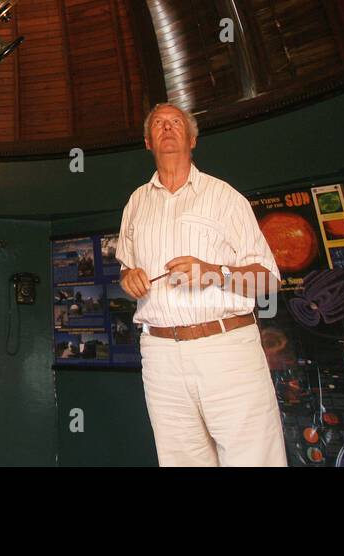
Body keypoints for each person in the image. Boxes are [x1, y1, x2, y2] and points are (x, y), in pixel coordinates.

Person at [117, 101, 287, 466]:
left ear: (192, 138)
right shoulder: (135, 203)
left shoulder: (225, 197)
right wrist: (127, 278)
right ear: (148, 142)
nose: (166, 128)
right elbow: (126, 270)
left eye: (175, 123)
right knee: (181, 460)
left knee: (252, 457)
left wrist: (215, 272)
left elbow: (269, 281)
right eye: (158, 124)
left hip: (225, 347)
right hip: (160, 353)